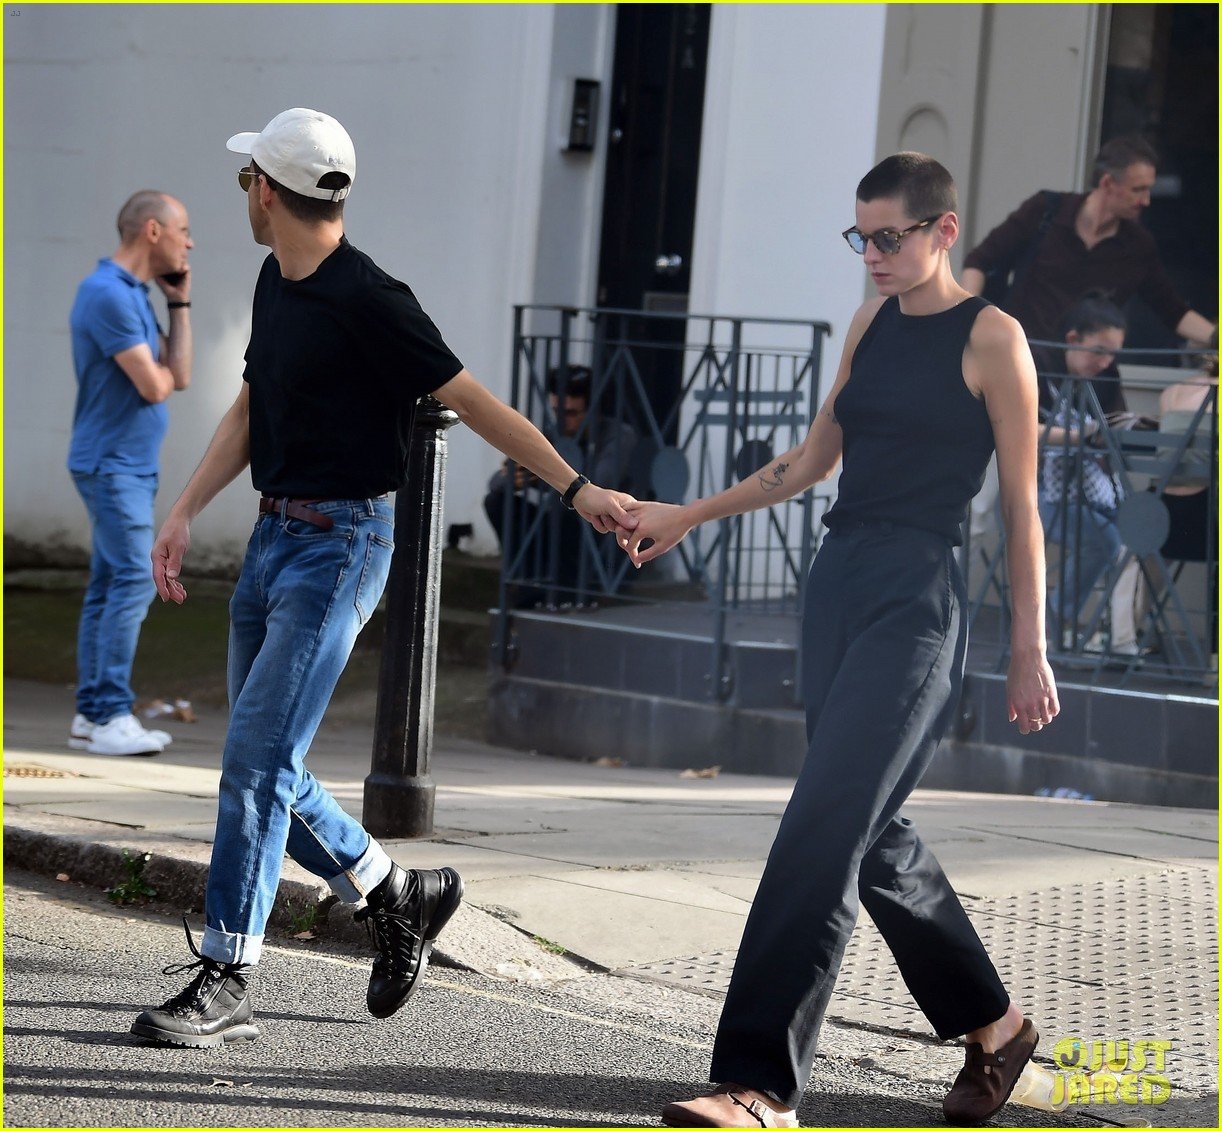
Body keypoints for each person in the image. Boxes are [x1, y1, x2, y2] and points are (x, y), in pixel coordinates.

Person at [130, 108, 636, 1048]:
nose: (242, 192)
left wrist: (575, 488)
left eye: (248, 179)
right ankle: (395, 890)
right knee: (265, 757)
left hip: (342, 549)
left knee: (253, 763)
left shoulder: (373, 299)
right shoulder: (275, 280)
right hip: (274, 542)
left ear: (268, 191)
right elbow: (251, 405)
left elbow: (475, 402)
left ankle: (230, 972)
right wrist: (187, 506)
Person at [619, 153, 1059, 1128]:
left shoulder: (995, 341)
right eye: (859, 236)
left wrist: (1027, 645)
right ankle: (996, 1025)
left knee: (821, 830)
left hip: (916, 602)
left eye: (888, 237)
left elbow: (1022, 511)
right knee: (867, 835)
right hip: (839, 585)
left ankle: (759, 1088)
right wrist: (690, 513)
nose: (871, 254)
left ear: (943, 231)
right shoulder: (869, 322)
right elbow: (810, 461)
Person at [67, 191, 194, 757]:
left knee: (109, 584)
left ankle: (92, 716)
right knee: (135, 581)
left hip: (129, 465)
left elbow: (180, 375)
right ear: (152, 230)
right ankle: (111, 713)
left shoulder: (136, 296)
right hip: (110, 463)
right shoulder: (106, 295)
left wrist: (180, 306)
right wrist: (161, 373)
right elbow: (153, 384)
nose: (189, 243)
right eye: (182, 230)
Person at [961, 136, 1216, 350]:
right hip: (1020, 361)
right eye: (1138, 189)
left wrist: (1216, 339)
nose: (1146, 200)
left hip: (1085, 379)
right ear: (1107, 183)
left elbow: (1173, 310)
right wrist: (966, 323)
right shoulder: (1046, 211)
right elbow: (979, 261)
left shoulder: (1138, 245)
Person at [483, 364, 636, 601]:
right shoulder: (554, 434)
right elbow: (496, 482)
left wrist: (557, 477)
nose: (563, 420)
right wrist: (513, 478)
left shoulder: (617, 435)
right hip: (555, 522)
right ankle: (527, 579)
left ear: (593, 410)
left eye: (572, 413)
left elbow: (602, 483)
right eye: (557, 411)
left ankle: (566, 591)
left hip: (602, 528)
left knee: (567, 509)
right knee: (497, 502)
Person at [1035, 294, 1133, 649]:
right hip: (1040, 492)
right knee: (1106, 541)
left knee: (1141, 526)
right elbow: (1023, 433)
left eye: (1114, 354)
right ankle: (1056, 619)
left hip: (1095, 489)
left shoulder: (1106, 376)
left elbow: (1117, 428)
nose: (1106, 362)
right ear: (1073, 339)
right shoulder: (1039, 362)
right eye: (1099, 351)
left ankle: (1121, 636)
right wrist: (1085, 435)